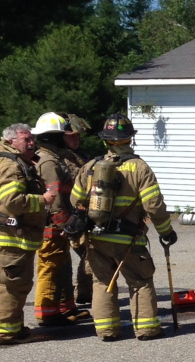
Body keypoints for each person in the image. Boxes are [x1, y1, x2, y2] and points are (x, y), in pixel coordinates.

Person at [69, 113, 177, 341]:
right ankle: (147, 329)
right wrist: (166, 231)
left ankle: (107, 331)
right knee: (140, 282)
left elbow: (74, 200)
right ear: (130, 139)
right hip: (128, 239)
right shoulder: (139, 168)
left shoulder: (90, 167)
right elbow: (154, 206)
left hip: (97, 237)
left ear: (105, 140)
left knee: (101, 283)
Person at [0, 123, 58, 344]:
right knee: (11, 284)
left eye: (31, 139)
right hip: (10, 237)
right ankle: (4, 332)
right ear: (10, 142)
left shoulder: (15, 162)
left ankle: (14, 328)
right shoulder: (9, 165)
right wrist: (42, 200)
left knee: (15, 283)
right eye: (26, 139)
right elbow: (13, 202)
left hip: (10, 235)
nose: (31, 143)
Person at [31, 112, 90, 326]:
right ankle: (47, 314)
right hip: (52, 225)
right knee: (50, 267)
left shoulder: (55, 157)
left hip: (60, 224)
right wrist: (65, 224)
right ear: (54, 136)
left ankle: (66, 307)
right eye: (62, 134)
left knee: (63, 265)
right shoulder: (47, 161)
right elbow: (54, 200)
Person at [62, 113, 94, 305]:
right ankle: (73, 295)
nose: (76, 139)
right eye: (71, 135)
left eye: (78, 136)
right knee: (85, 253)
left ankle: (84, 293)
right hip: (68, 213)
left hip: (80, 212)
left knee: (86, 253)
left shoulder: (80, 156)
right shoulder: (62, 158)